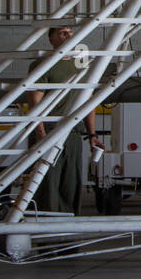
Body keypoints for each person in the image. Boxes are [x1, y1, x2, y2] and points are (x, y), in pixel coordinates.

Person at [26, 26, 101, 215]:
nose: (69, 35)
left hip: (73, 131)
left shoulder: (81, 65)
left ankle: (68, 222)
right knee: (47, 181)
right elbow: (35, 101)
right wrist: (40, 132)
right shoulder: (43, 64)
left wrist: (92, 134)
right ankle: (46, 222)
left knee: (71, 182)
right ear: (51, 39)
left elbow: (88, 102)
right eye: (62, 33)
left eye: (70, 32)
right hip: (50, 129)